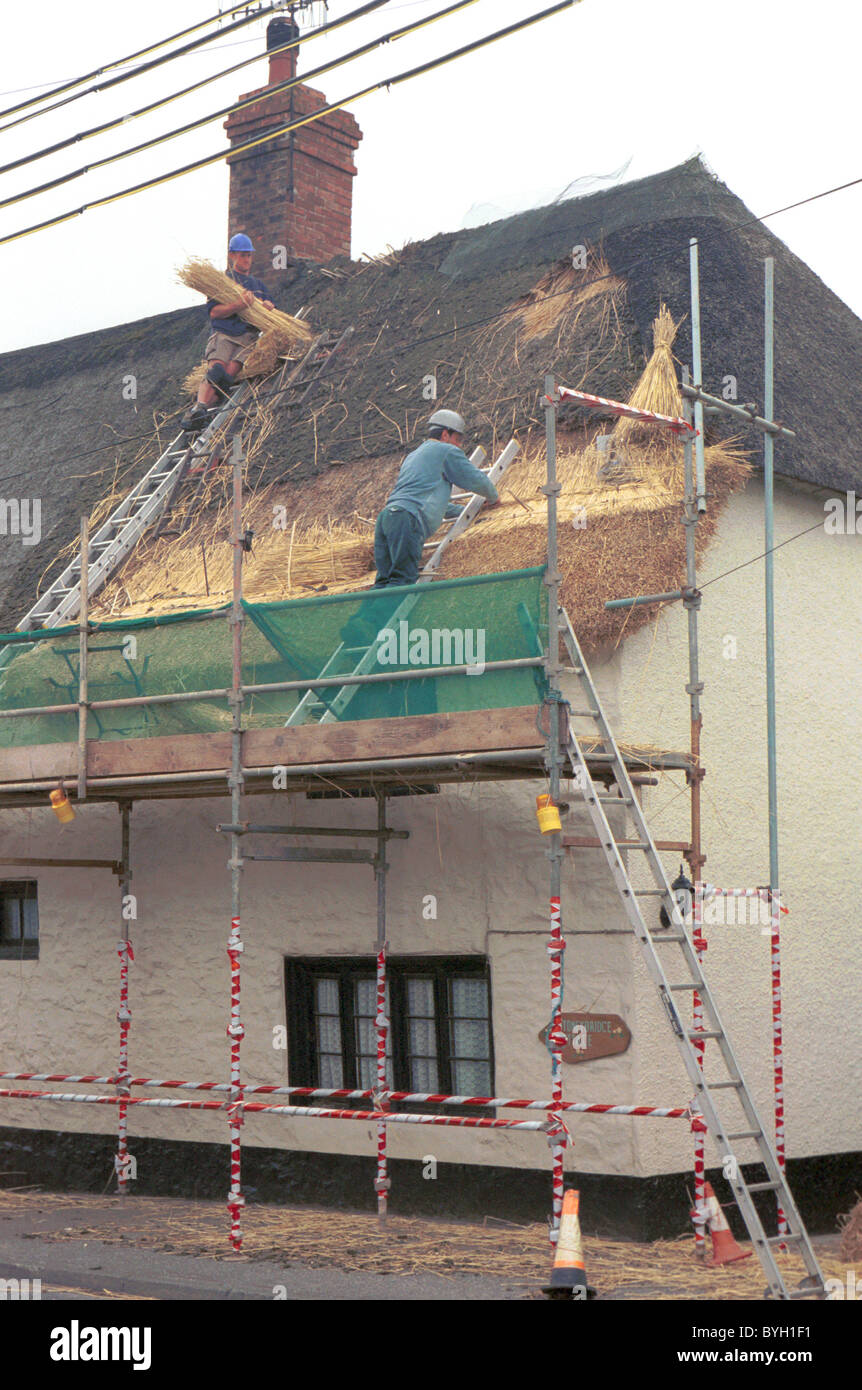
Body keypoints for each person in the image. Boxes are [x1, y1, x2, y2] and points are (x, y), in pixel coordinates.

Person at [373, 409, 500, 586]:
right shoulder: (446, 451)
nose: (459, 446)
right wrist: (494, 498)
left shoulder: (413, 455)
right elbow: (475, 479)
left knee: (383, 582)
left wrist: (466, 510)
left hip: (388, 518)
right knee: (402, 581)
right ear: (445, 434)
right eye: (457, 440)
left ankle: (369, 615)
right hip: (407, 520)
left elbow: (434, 503)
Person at [180, 233, 275, 433]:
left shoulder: (259, 286)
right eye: (242, 255)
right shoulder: (222, 281)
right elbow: (215, 313)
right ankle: (199, 408)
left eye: (249, 255)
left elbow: (269, 319)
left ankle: (201, 415)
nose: (246, 260)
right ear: (232, 255)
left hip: (247, 338)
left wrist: (268, 308)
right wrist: (240, 305)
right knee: (216, 372)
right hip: (225, 333)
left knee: (227, 379)